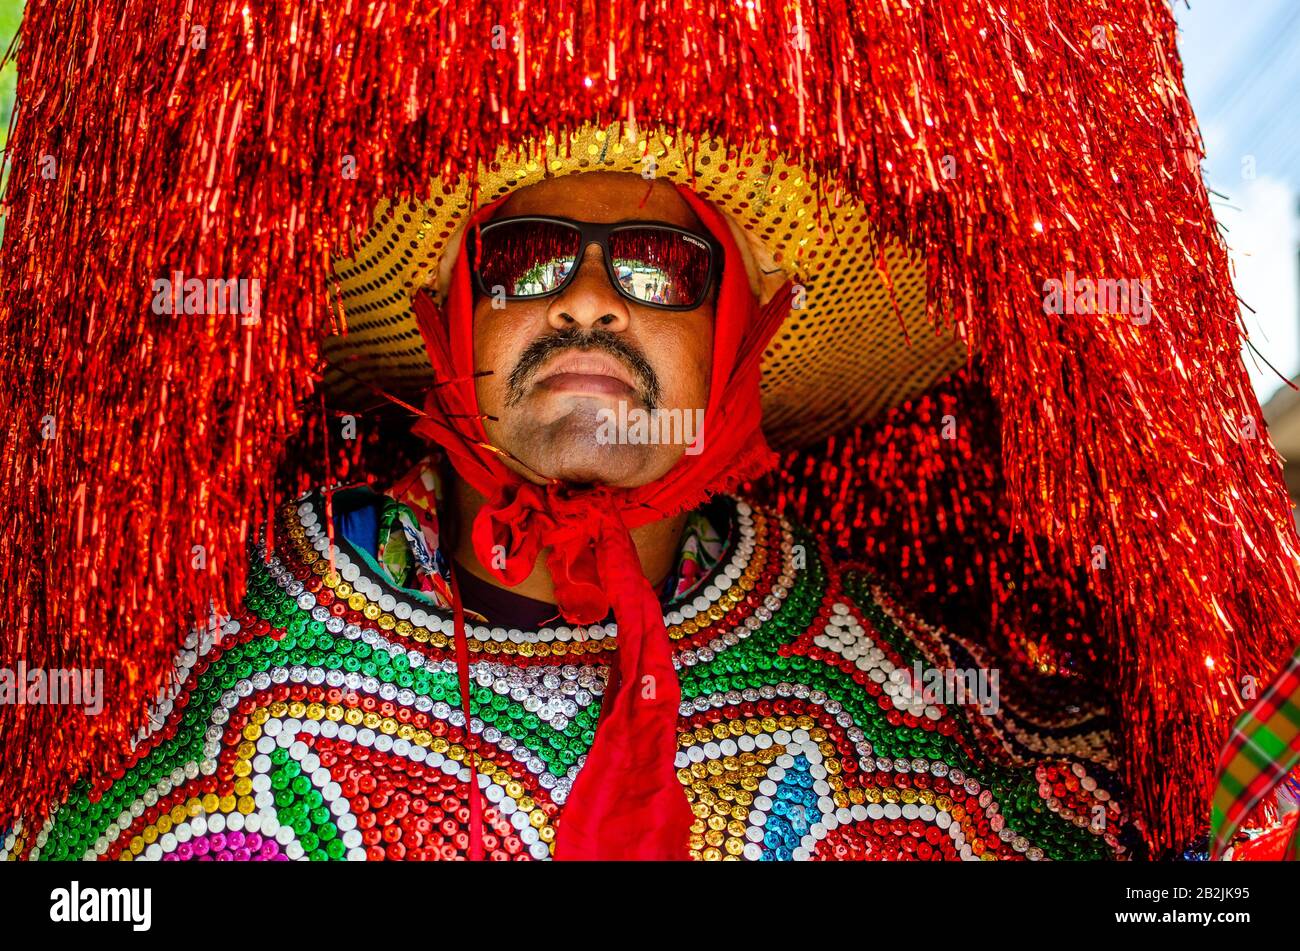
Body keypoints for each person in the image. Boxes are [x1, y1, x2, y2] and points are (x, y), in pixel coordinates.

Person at [3, 0, 1297, 864]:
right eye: (522, 259)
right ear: (449, 320)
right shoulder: (162, 682)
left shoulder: (960, 729)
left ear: (744, 330)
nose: (582, 298)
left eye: (656, 267)